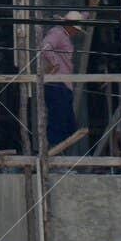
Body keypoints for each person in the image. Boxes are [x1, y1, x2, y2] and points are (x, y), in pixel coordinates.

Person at [37, 10, 86, 149]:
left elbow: (83, 16)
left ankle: (59, 153)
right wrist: (54, 63)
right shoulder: (57, 33)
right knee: (58, 120)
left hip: (63, 83)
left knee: (66, 122)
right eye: (75, 29)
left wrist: (90, 8)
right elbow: (45, 46)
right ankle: (54, 154)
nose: (76, 32)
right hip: (56, 82)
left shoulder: (63, 34)